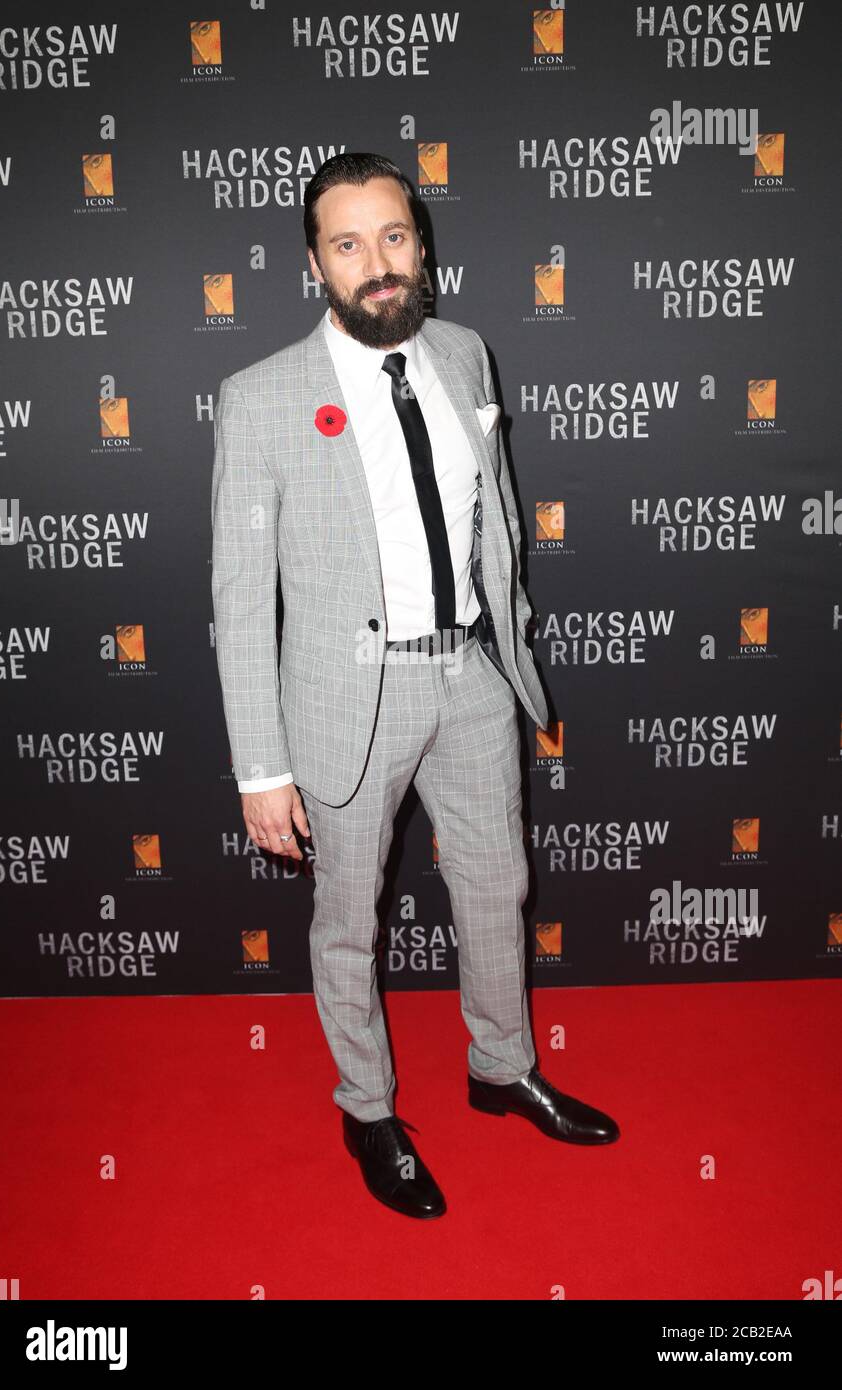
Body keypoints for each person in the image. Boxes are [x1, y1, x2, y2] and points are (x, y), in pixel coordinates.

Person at [211, 151, 619, 1220]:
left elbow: (500, 515)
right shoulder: (259, 400)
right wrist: (261, 766)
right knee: (347, 918)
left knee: (496, 889)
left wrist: (508, 645)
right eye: (347, 244)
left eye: (392, 236)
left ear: (421, 243)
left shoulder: (464, 354)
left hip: (470, 676)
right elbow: (240, 597)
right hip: (349, 700)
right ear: (314, 264)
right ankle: (368, 1109)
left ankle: (500, 1067)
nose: (376, 264)